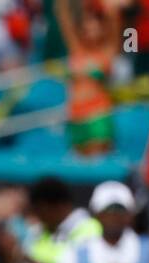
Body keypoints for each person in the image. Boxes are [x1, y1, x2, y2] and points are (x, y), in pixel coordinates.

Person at [56, 0, 120, 156]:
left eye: (94, 23)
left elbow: (115, 22)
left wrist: (109, 7)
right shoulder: (76, 48)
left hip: (97, 115)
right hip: (76, 115)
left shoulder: (107, 51)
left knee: (98, 164)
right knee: (77, 170)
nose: (90, 28)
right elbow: (63, 15)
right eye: (86, 24)